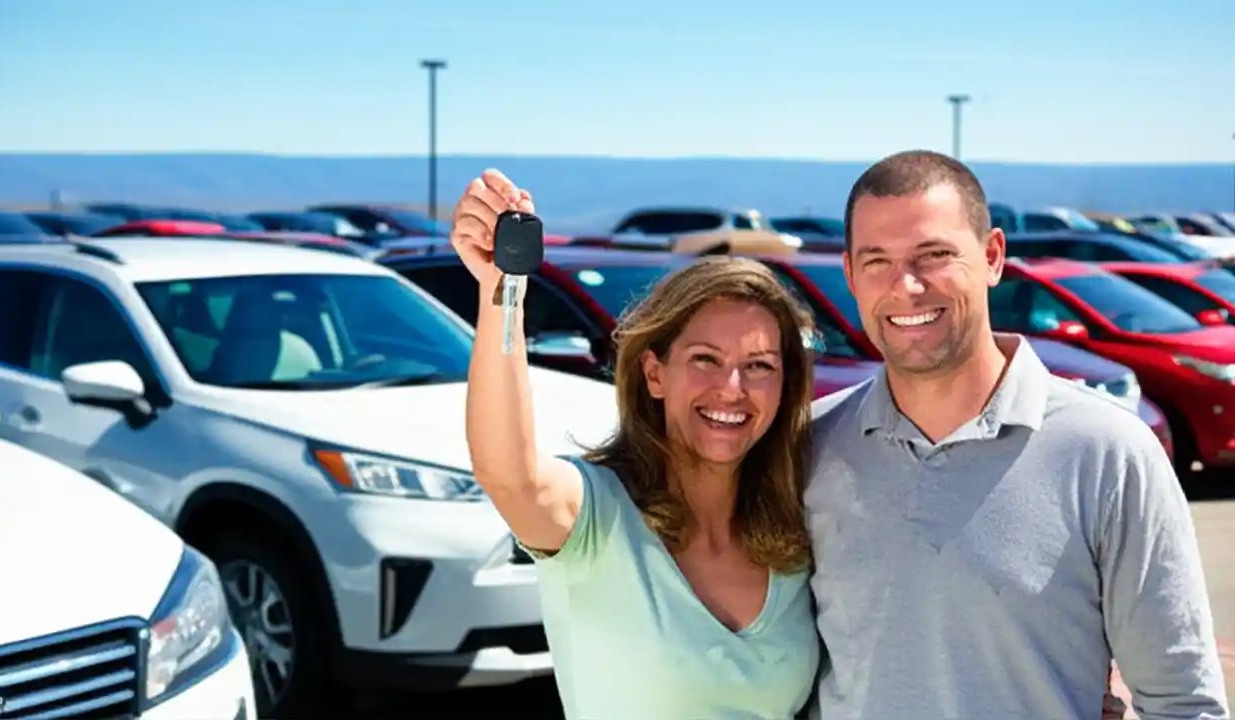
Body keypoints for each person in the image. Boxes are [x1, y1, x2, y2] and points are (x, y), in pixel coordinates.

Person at [804, 149, 1229, 719]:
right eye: (877, 260)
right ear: (851, 274)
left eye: (933, 255)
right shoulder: (807, 447)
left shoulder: (1108, 452)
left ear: (992, 257)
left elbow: (1184, 704)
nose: (905, 286)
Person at [451, 169, 820, 719]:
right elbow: (510, 474)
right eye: (705, 360)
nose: (732, 388)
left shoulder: (796, 530)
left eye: (759, 366)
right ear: (654, 374)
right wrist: (502, 292)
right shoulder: (598, 519)